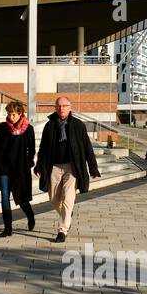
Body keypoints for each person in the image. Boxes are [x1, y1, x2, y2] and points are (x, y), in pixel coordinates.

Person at [35, 95, 101, 243]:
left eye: (64, 106)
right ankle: (67, 214)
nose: (61, 108)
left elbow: (87, 147)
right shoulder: (50, 125)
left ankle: (62, 230)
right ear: (55, 108)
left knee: (68, 198)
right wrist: (39, 165)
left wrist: (93, 168)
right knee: (53, 198)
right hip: (54, 166)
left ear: (70, 108)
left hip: (72, 167)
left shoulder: (78, 125)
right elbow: (43, 148)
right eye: (59, 106)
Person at [0, 100, 36, 237]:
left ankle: (30, 216)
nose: (10, 117)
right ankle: (8, 228)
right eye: (9, 114)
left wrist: (28, 163)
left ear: (20, 114)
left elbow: (32, 149)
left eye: (13, 115)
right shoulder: (3, 127)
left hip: (20, 169)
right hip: (4, 167)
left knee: (21, 198)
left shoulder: (29, 129)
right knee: (5, 196)